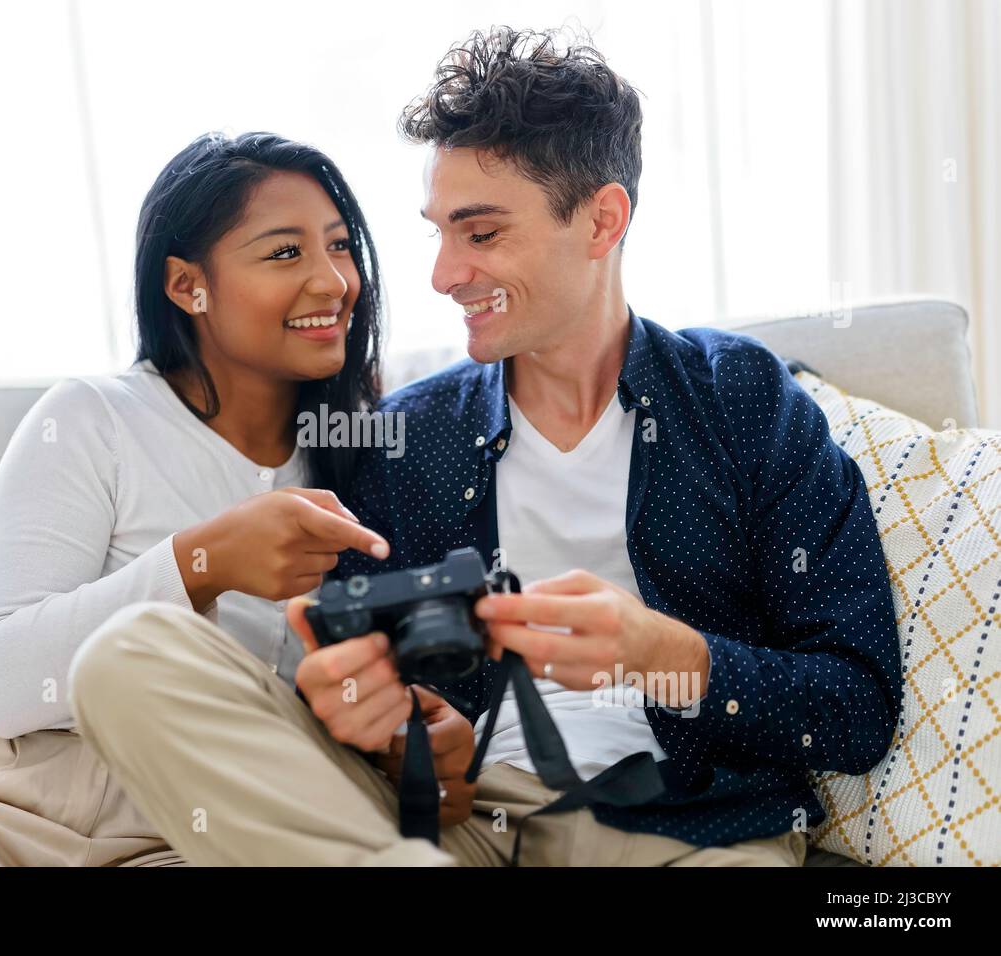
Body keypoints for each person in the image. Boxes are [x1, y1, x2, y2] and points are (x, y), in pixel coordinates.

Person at [68, 26, 903, 866]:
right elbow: (382, 713)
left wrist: (662, 655)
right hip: (450, 827)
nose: (442, 274)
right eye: (438, 232)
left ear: (602, 221)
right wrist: (392, 733)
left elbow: (856, 709)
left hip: (682, 828)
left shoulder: (743, 401)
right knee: (127, 653)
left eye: (482, 233)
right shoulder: (402, 438)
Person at [0, 130, 393, 865]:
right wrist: (200, 564)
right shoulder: (92, 418)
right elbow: (3, 684)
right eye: (284, 252)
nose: (333, 281)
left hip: (182, 830)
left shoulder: (367, 456)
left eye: (340, 247)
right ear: (186, 286)